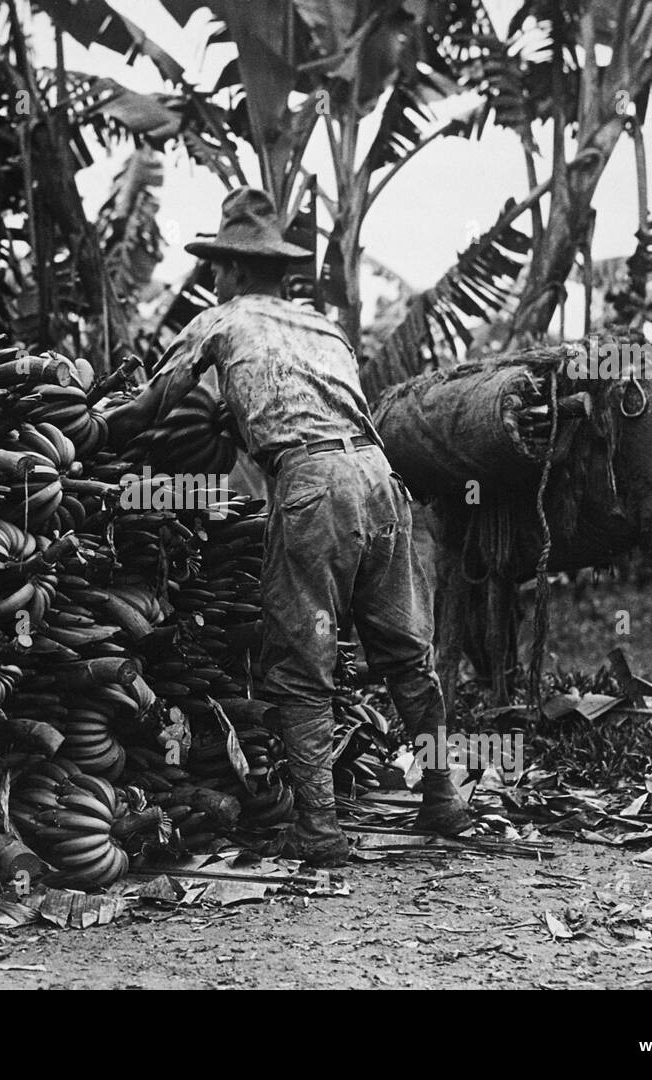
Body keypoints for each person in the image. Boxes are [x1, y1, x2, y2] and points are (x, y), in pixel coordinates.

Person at [106, 188, 471, 866]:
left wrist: (87, 429)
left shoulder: (222, 321)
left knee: (303, 660)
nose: (215, 278)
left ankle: (320, 829)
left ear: (235, 271)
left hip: (312, 486)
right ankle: (442, 796)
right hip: (381, 481)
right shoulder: (322, 327)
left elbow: (149, 409)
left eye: (218, 266)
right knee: (406, 656)